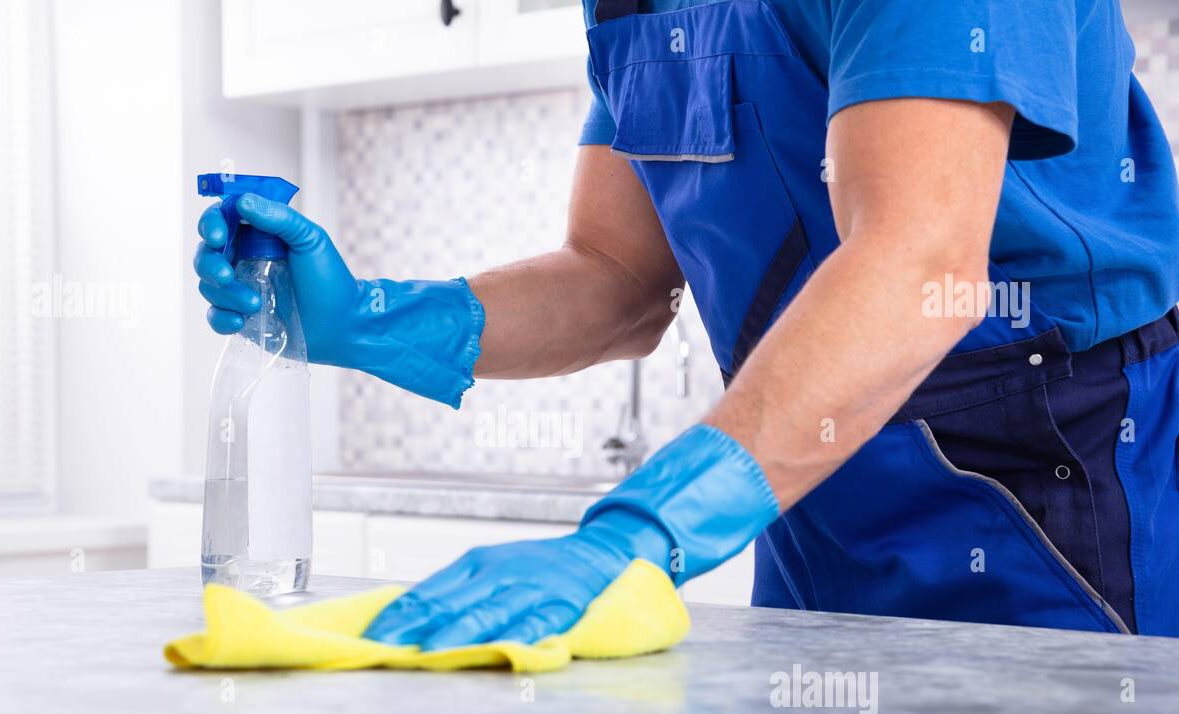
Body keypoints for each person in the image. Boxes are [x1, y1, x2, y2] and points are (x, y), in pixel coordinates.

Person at [194, 0, 1179, 643]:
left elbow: (915, 262)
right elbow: (617, 275)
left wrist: (633, 530)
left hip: (1043, 491)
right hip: (805, 502)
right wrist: (365, 318)